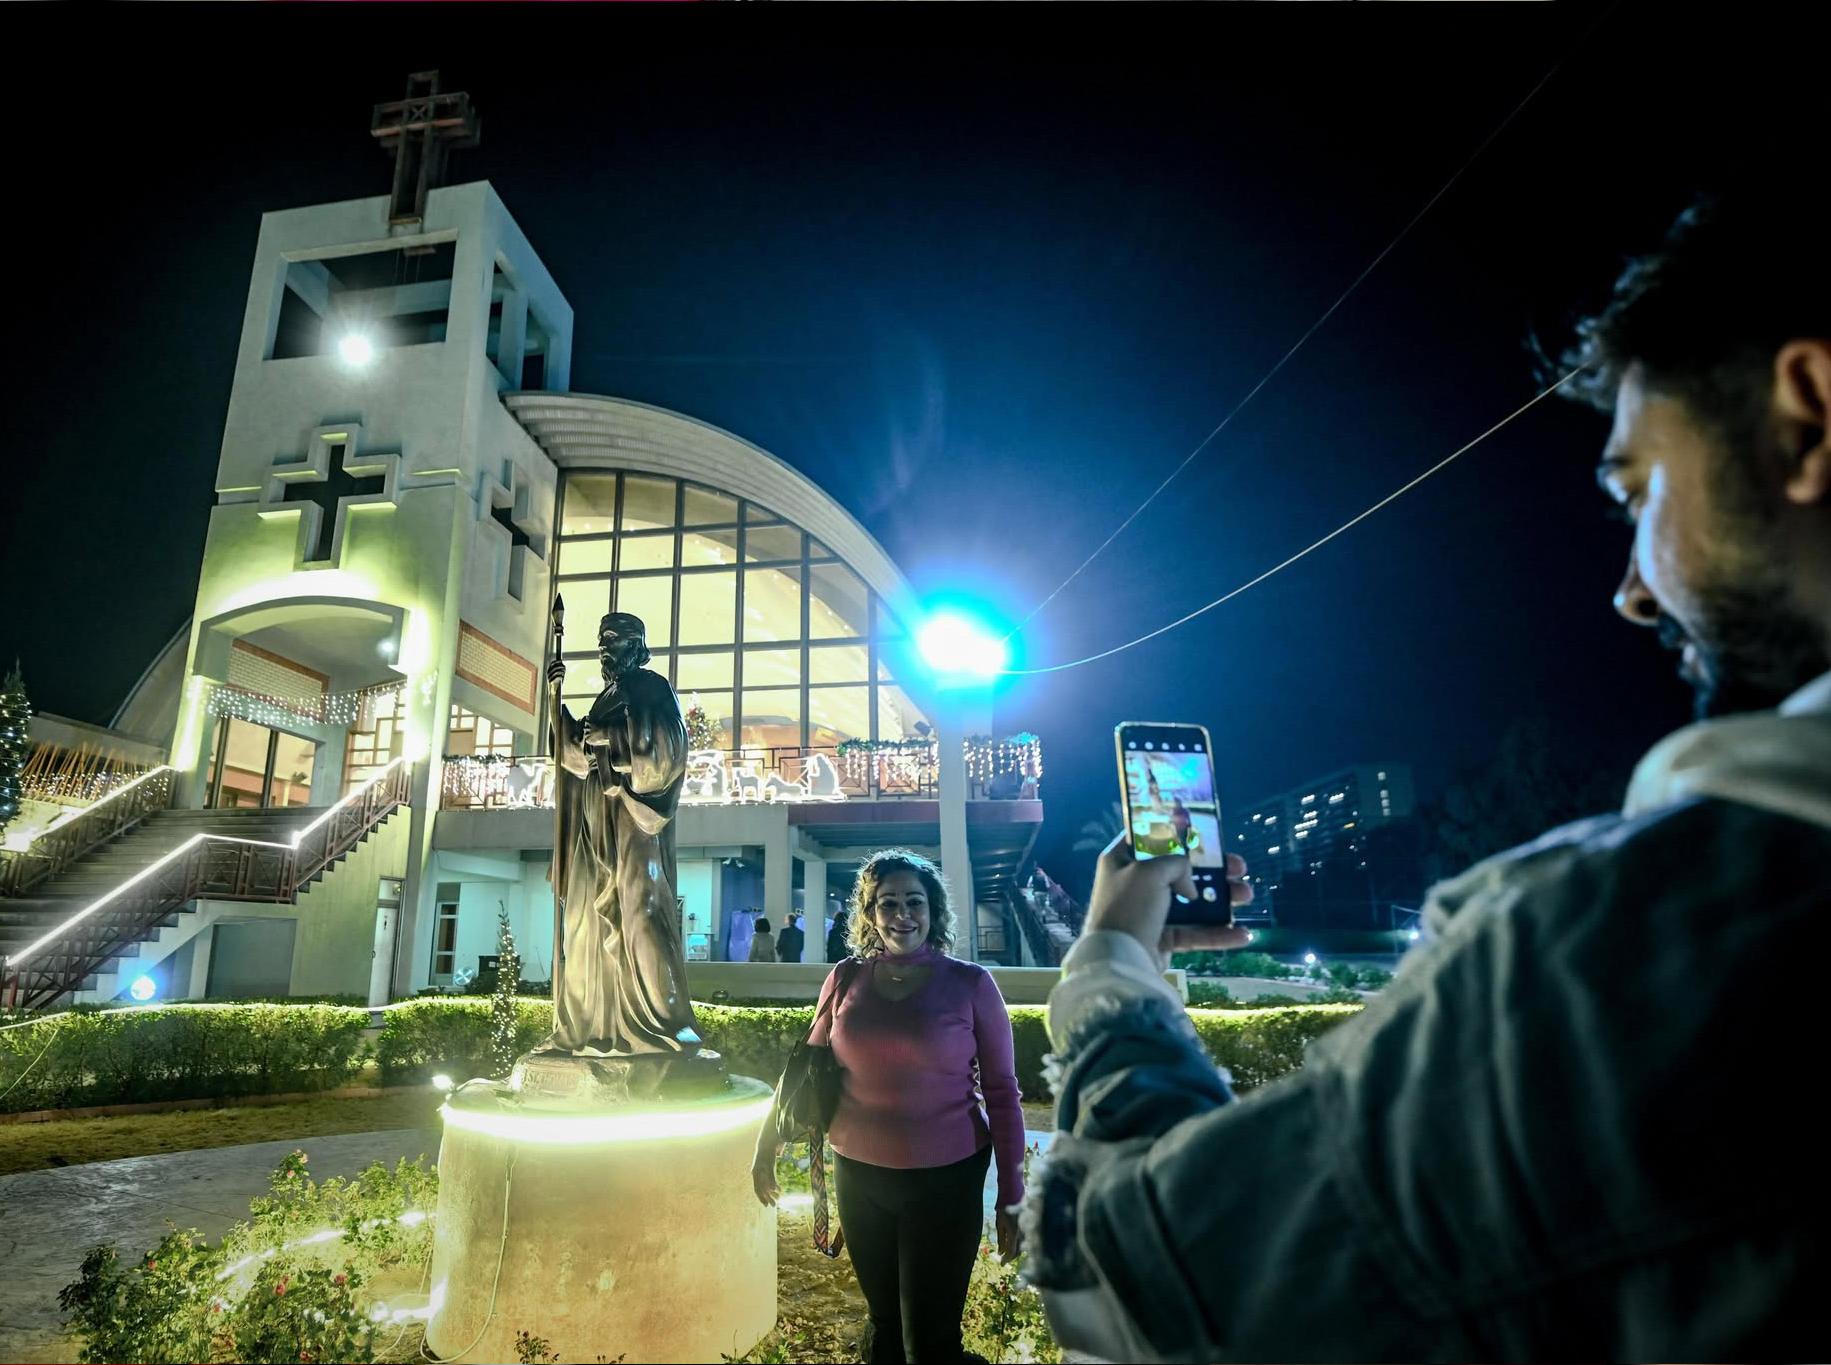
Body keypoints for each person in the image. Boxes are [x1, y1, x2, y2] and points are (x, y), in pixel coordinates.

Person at [1019, 194, 1831, 1360]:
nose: (1631, 592)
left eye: (1639, 489)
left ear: (1805, 419)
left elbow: (1139, 1275)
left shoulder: (1602, 966)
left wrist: (1110, 963)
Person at [753, 850, 1026, 1365]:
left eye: (915, 902)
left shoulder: (971, 984)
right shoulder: (846, 978)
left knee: (930, 1343)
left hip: (946, 1180)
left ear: (934, 910)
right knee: (883, 1330)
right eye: (889, 903)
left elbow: (1003, 1094)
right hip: (859, 1177)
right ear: (870, 913)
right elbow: (804, 1071)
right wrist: (765, 1145)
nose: (903, 914)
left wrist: (1010, 1195)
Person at [540, 611, 708, 1057]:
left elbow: (668, 748)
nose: (604, 648)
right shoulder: (606, 696)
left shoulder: (651, 687)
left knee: (640, 913)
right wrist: (556, 704)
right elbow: (577, 759)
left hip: (632, 820)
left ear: (635, 643)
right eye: (600, 640)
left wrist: (609, 735)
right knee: (586, 922)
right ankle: (589, 1024)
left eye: (612, 639)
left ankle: (661, 1022)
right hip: (598, 817)